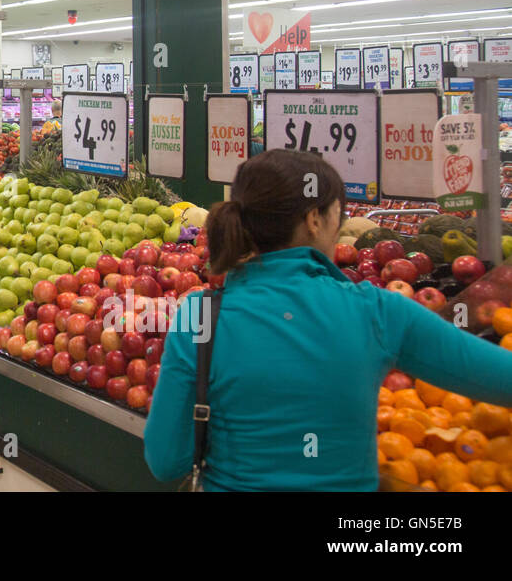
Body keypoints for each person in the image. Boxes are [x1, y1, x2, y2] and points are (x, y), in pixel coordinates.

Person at [143, 149, 512, 491]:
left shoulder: (199, 316)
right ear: (314, 220)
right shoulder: (379, 311)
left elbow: (166, 461)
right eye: (341, 212)